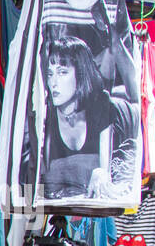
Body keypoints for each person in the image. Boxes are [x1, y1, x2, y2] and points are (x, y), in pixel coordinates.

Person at [40, 35, 139, 201]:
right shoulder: (45, 112)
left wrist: (100, 173)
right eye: (50, 74)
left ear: (80, 73)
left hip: (94, 206)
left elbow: (105, 170)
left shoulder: (100, 104)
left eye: (62, 72)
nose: (53, 82)